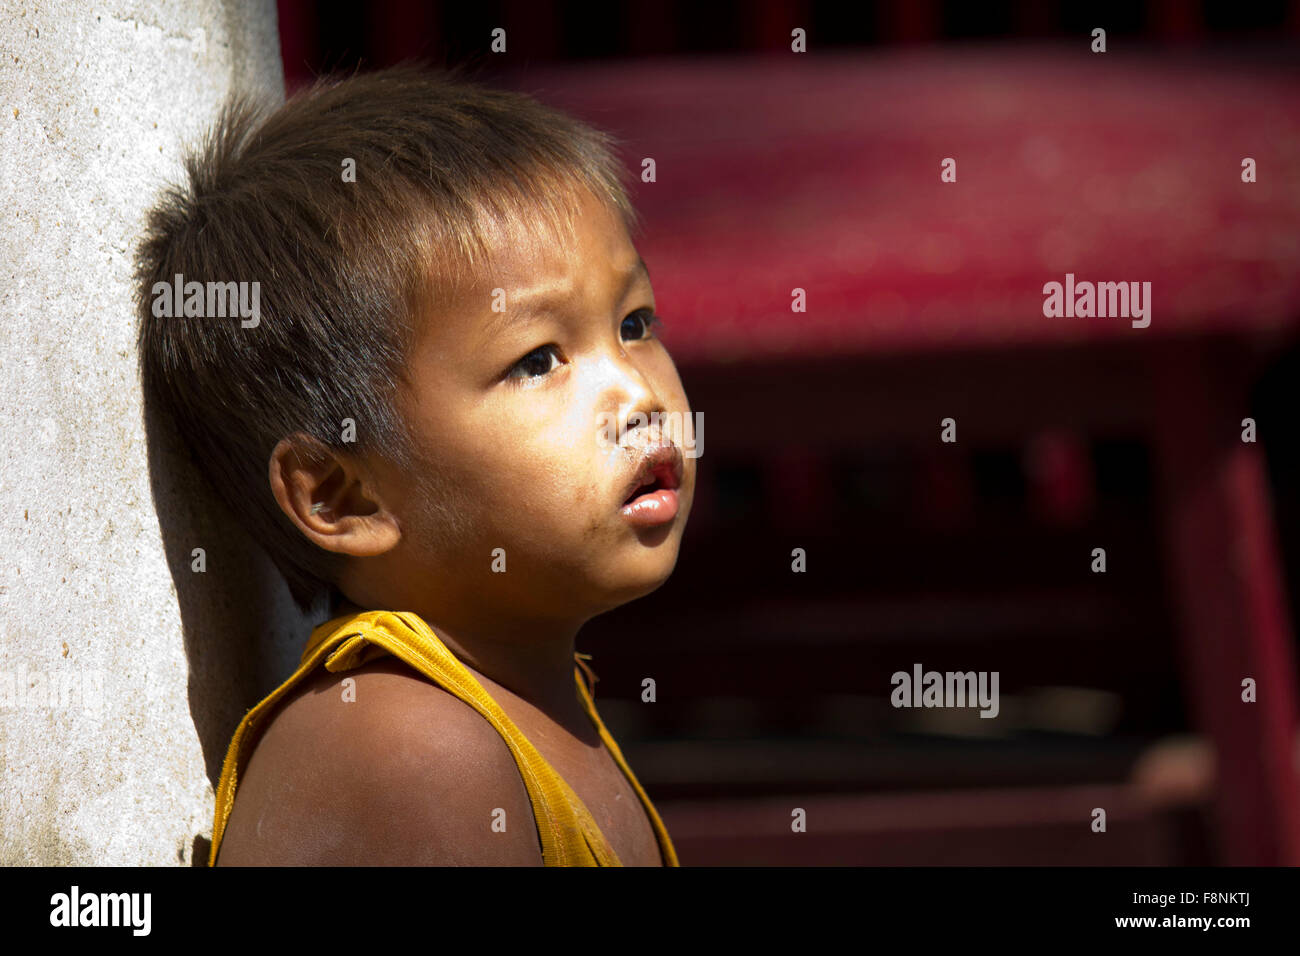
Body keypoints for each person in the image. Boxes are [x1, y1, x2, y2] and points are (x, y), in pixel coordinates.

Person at [135, 64, 696, 866]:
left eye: (635, 322)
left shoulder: (546, 702)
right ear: (342, 496)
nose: (639, 392)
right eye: (538, 360)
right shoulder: (406, 749)